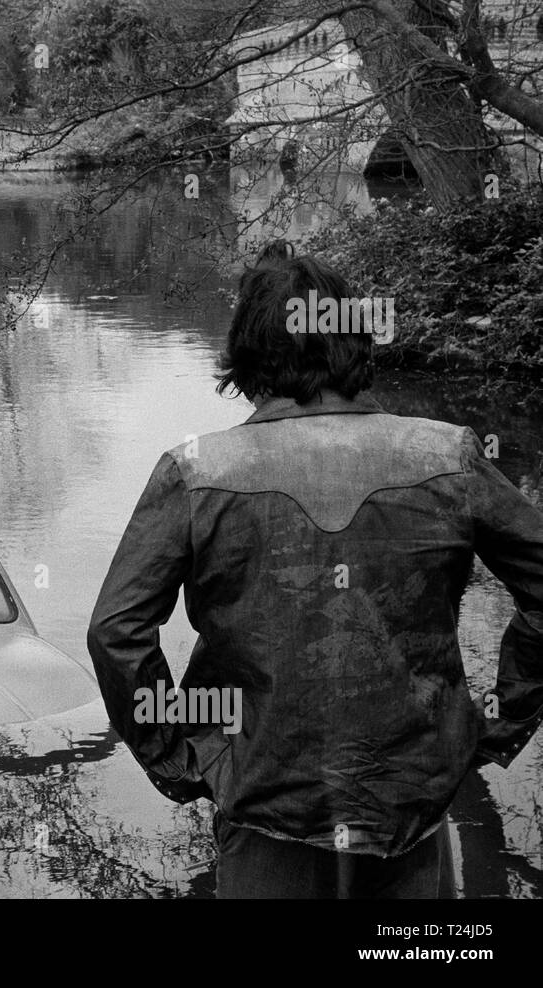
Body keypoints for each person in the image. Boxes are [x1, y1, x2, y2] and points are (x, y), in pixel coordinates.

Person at [86, 241, 543, 898]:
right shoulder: (447, 456)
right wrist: (493, 724)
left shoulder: (196, 472)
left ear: (247, 353)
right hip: (409, 807)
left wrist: (181, 761)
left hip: (263, 808)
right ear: (352, 340)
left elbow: (115, 633)